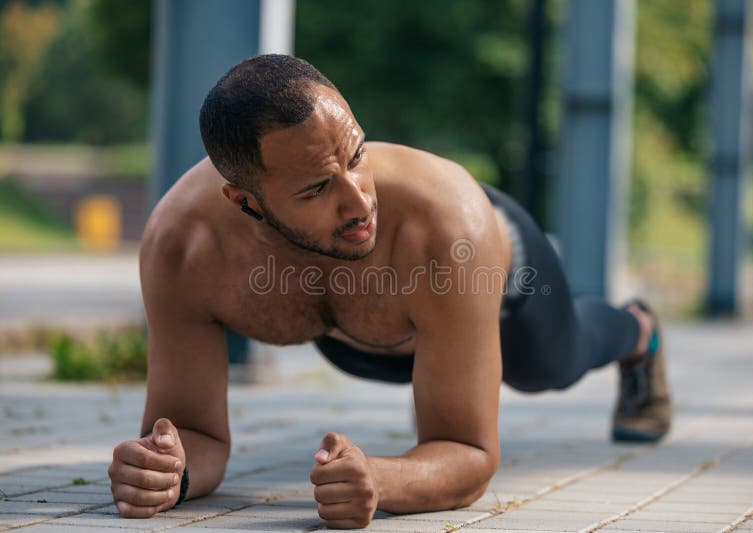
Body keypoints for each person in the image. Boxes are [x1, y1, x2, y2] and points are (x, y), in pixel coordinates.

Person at [106, 54, 671, 530]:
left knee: (553, 364)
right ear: (246, 202)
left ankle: (638, 330)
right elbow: (198, 434)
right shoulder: (183, 247)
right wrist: (168, 473)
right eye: (319, 188)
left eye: (356, 154)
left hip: (486, 281)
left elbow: (470, 453)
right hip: (361, 333)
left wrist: (380, 479)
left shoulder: (445, 226)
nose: (359, 202)